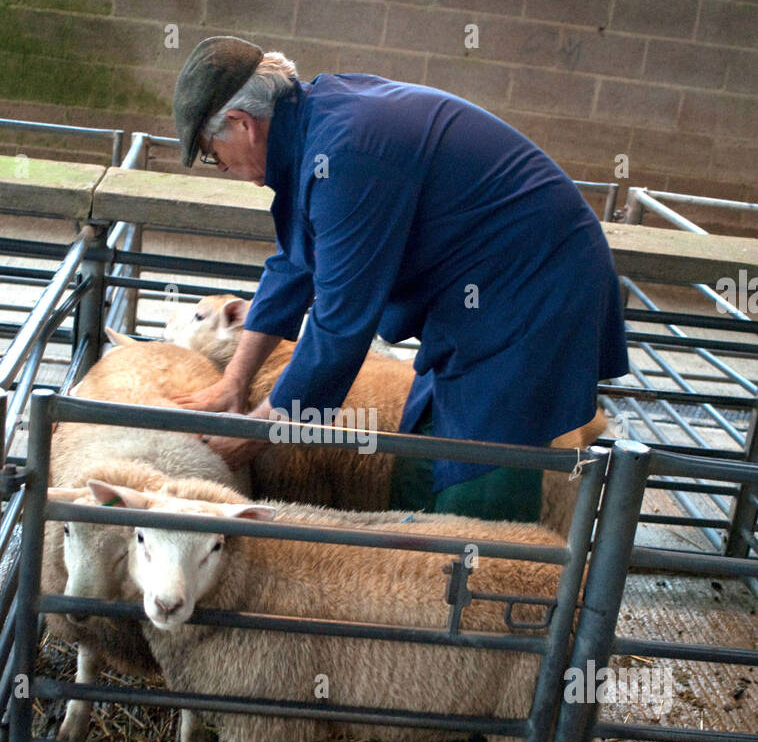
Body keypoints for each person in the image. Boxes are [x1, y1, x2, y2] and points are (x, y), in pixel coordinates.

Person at [170, 35, 629, 519]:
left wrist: (262, 433)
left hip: (531, 288)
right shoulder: (314, 127)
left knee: (484, 454)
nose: (219, 165)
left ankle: (485, 578)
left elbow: (341, 323)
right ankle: (415, 561)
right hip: (481, 290)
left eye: (210, 152)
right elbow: (293, 266)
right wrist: (234, 384)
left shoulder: (346, 152)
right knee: (426, 440)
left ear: (242, 125)